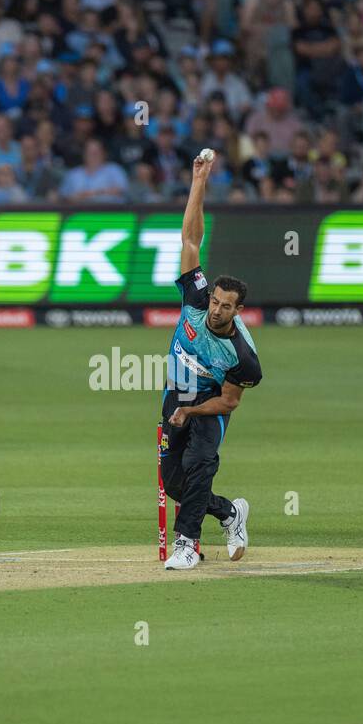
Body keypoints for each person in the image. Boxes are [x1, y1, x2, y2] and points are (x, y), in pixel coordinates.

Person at [158, 150, 262, 571]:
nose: (215, 310)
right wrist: (199, 180)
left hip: (210, 402)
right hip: (177, 391)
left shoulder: (241, 355)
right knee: (174, 480)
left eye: (225, 307)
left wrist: (193, 409)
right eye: (215, 301)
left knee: (200, 463)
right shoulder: (197, 300)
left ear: (238, 311)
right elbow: (191, 240)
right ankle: (230, 513)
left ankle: (188, 543)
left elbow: (231, 401)